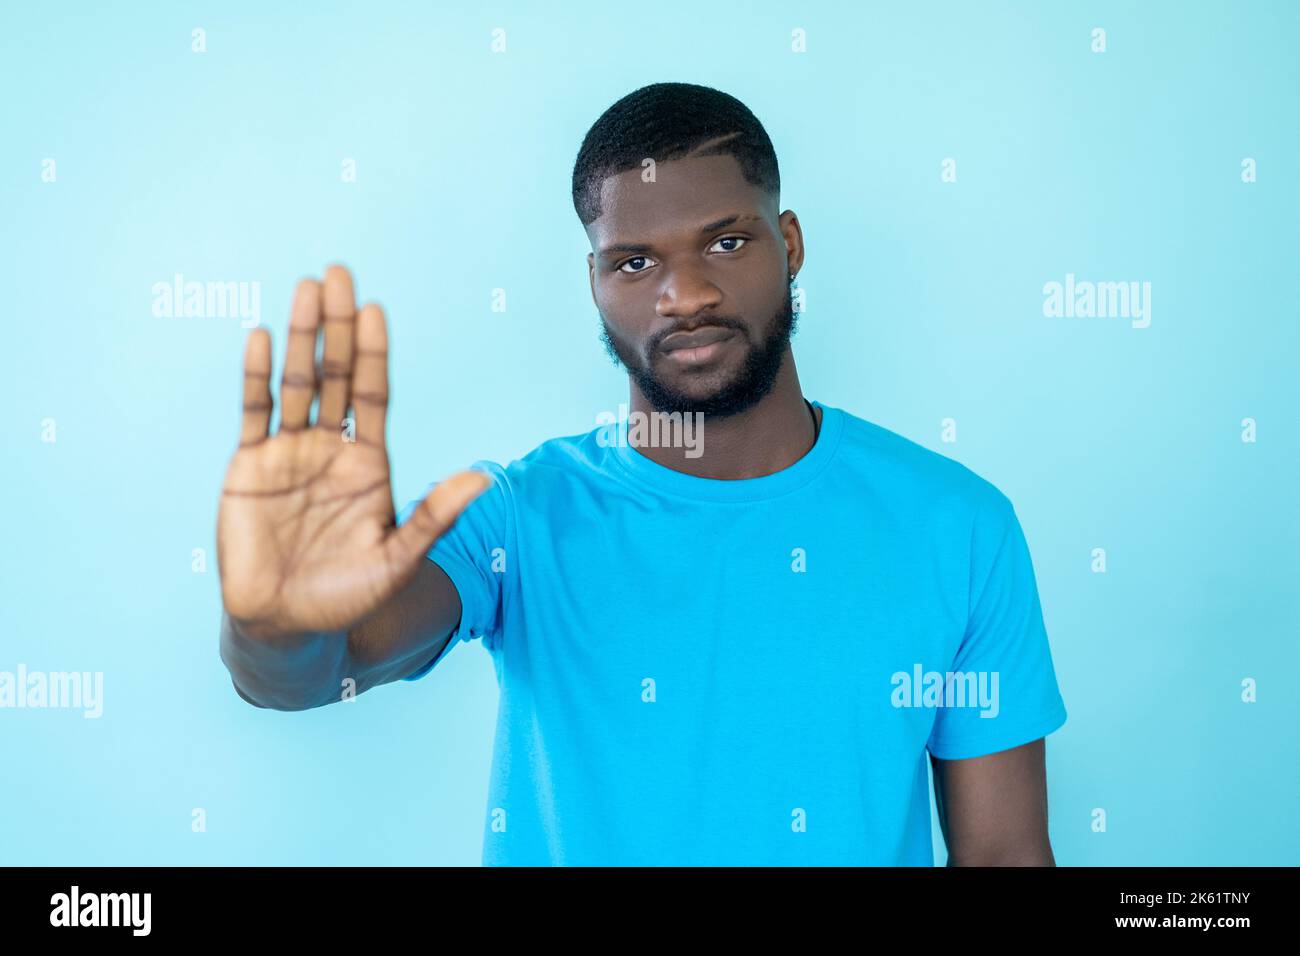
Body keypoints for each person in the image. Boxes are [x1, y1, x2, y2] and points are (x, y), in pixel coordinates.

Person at [217, 81, 1068, 866]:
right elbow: (310, 674)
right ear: (594, 280)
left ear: (791, 244)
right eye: (635, 262)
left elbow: (1004, 856)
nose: (684, 294)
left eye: (726, 241)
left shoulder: (957, 526)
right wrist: (274, 621)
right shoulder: (513, 517)